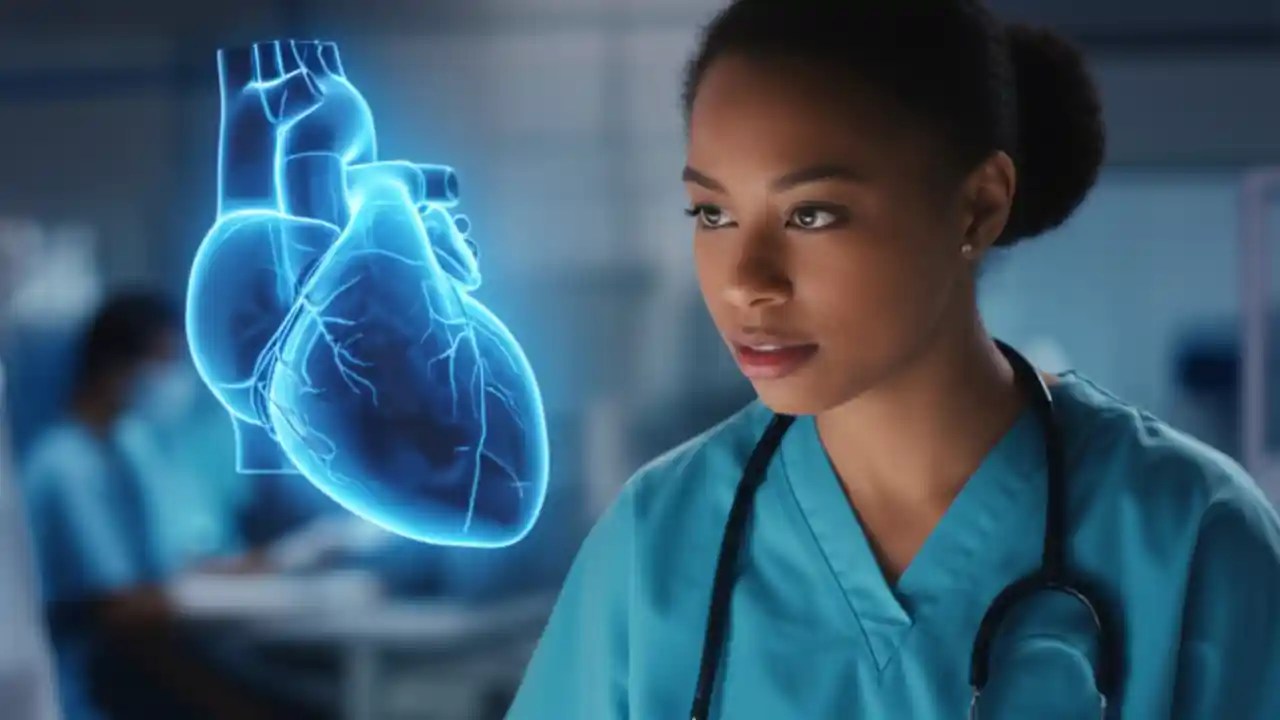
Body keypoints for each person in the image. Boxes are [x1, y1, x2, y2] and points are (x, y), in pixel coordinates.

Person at [506, 1, 1280, 718]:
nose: (746, 280)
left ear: (977, 207)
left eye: (811, 214)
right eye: (713, 212)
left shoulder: (1190, 539)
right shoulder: (658, 543)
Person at [20, 290, 289, 720]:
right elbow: (120, 609)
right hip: (87, 685)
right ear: (114, 368)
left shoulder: (117, 452)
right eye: (162, 364)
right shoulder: (66, 467)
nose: (173, 380)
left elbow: (153, 575)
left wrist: (223, 576)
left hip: (127, 665)